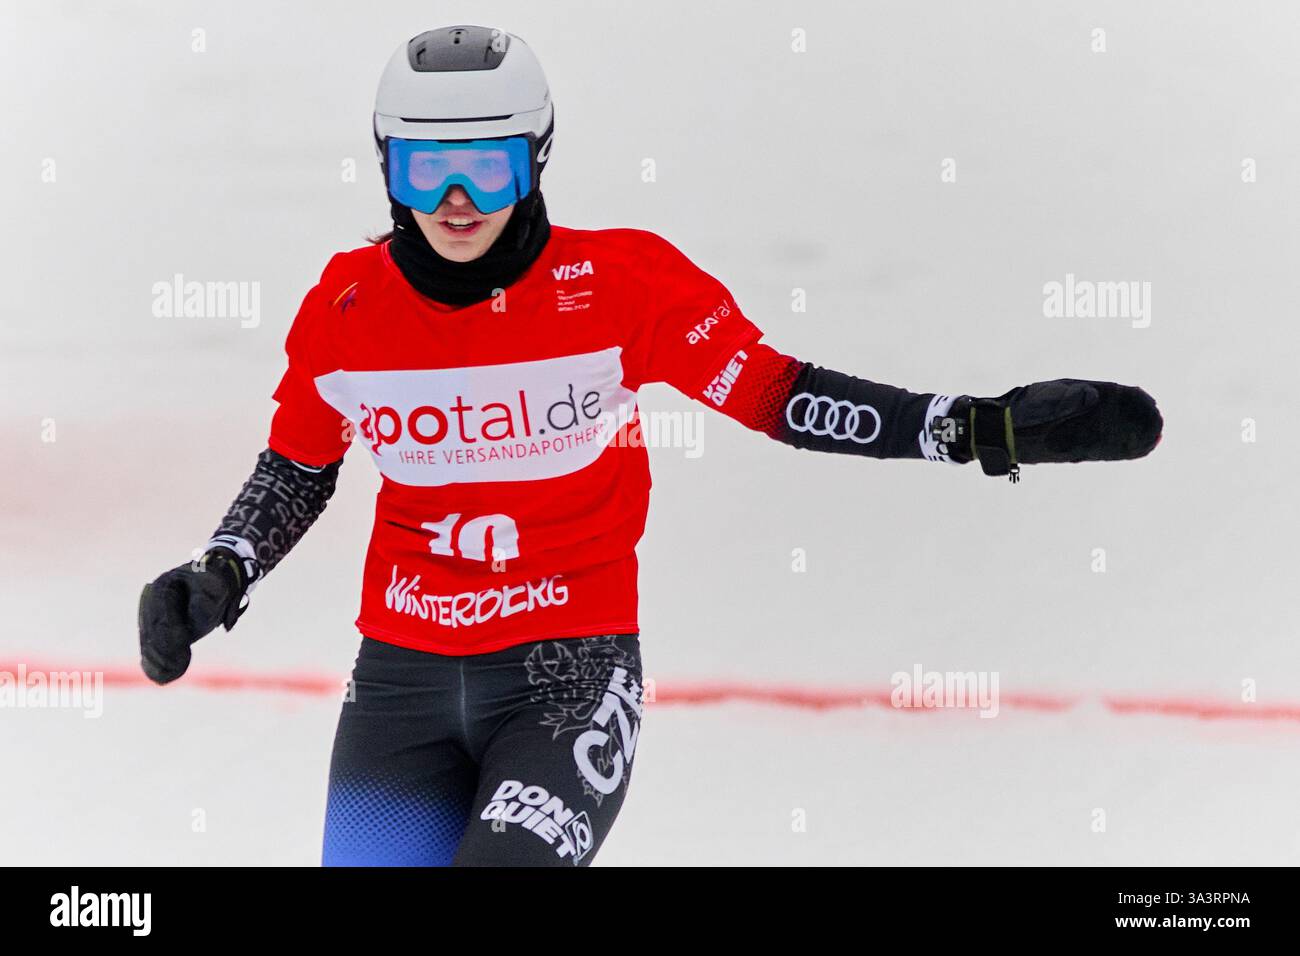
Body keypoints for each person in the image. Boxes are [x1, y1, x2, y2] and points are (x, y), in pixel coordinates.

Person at [137, 25, 1163, 867]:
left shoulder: (621, 288)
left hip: (566, 668)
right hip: (398, 680)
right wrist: (222, 566)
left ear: (534, 159)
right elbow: (300, 463)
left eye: (486, 170)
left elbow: (776, 394)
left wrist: (969, 428)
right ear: (386, 165)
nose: (456, 202)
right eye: (426, 167)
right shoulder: (346, 306)